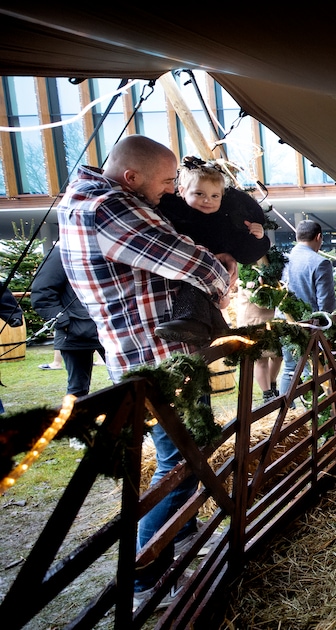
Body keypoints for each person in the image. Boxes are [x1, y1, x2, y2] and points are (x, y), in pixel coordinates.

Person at [56, 135, 232, 605]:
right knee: (180, 462)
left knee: (186, 456)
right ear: (131, 176)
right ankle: (145, 579)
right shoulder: (110, 208)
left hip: (149, 355)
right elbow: (192, 261)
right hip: (158, 358)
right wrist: (220, 277)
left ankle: (179, 540)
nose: (172, 190)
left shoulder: (93, 201)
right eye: (168, 181)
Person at [153, 157, 270, 344]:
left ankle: (210, 326)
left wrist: (258, 236)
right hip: (189, 272)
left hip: (216, 274)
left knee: (202, 291)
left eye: (215, 196)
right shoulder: (174, 216)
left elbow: (245, 252)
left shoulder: (225, 221)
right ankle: (198, 323)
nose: (207, 200)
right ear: (182, 191)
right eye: (199, 194)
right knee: (195, 287)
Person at [30, 244, 106, 397]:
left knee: (127, 380)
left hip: (110, 327)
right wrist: (64, 323)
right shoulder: (60, 251)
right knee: (77, 389)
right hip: (74, 332)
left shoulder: (105, 246)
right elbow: (42, 293)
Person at [279, 220, 336, 398]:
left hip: (284, 321)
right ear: (318, 237)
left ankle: (287, 410)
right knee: (313, 369)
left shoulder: (283, 259)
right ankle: (314, 409)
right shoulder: (320, 262)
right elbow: (326, 303)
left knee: (289, 367)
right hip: (310, 325)